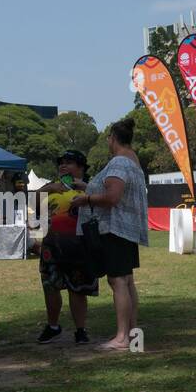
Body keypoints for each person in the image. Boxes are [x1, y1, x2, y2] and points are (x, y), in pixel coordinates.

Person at [68, 118, 147, 351]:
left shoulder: (118, 163)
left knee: (118, 281)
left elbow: (113, 197)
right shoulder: (133, 161)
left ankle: (122, 338)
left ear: (113, 139)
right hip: (127, 229)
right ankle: (133, 336)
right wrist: (88, 186)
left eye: (108, 138)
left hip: (115, 229)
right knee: (127, 281)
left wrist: (86, 199)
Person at [36, 149, 97, 345]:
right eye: (61, 162)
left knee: (77, 290)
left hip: (79, 246)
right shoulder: (51, 187)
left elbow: (105, 202)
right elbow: (31, 204)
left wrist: (86, 187)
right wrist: (48, 189)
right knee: (51, 287)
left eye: (69, 162)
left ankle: (80, 330)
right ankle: (53, 326)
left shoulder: (89, 187)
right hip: (51, 247)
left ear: (81, 167)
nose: (63, 165)